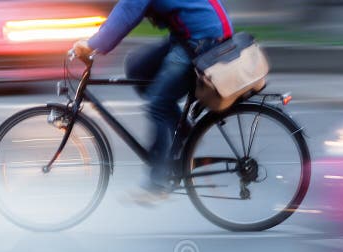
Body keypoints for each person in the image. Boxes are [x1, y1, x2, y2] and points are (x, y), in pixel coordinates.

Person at [73, 0, 233, 201]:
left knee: (157, 104)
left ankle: (156, 184)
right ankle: (184, 132)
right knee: (137, 67)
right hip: (194, 32)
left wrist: (93, 44)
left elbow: (128, 9)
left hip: (202, 39)